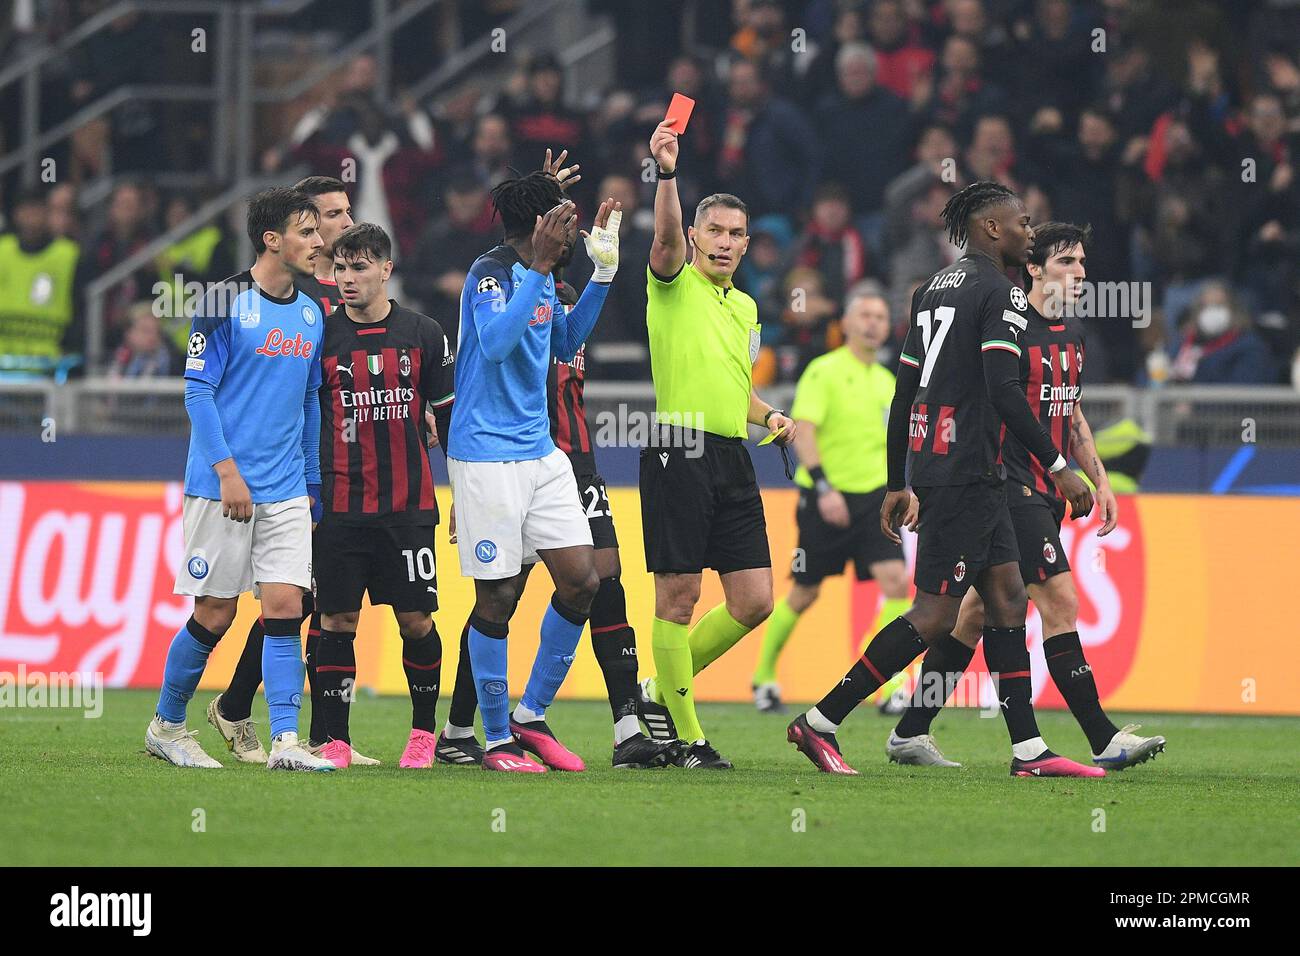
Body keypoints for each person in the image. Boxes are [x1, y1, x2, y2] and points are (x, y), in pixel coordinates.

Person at [786, 181, 1102, 779]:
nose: (1029, 234)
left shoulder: (931, 289)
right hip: (968, 472)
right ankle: (821, 721)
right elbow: (1005, 391)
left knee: (1007, 600)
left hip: (943, 467)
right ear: (991, 229)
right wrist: (1060, 468)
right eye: (1022, 224)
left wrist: (896, 481)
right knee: (933, 615)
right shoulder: (1001, 294)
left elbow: (906, 391)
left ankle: (1028, 751)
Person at [888, 221, 1166, 769]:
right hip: (1008, 484)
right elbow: (993, 401)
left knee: (969, 614)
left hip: (1046, 489)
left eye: (1083, 262)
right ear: (1034, 269)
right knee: (1060, 601)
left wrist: (1101, 479)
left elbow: (1072, 414)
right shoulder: (1011, 325)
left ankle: (910, 729)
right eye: (1065, 262)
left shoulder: (1072, 334)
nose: (1079, 272)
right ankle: (1102, 739)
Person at [439, 151, 675, 771]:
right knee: (497, 596)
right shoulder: (488, 274)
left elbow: (564, 341)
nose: (573, 232)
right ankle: (492, 740)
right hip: (486, 455)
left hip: (542, 452)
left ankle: (529, 715)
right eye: (562, 222)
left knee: (582, 579)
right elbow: (493, 345)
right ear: (536, 226)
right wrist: (541, 268)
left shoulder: (546, 277)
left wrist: (601, 276)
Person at [145, 187, 332, 771]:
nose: (319, 241)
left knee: (283, 606)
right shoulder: (224, 300)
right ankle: (167, 726)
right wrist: (228, 473)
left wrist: (311, 483)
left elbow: (309, 403)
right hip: (222, 486)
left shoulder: (312, 312)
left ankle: (285, 742)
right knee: (216, 613)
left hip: (284, 489)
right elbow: (197, 390)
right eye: (307, 231)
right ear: (272, 239)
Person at [205, 175, 383, 765]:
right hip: (302, 465)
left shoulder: (343, 292)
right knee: (303, 601)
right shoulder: (296, 298)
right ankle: (259, 716)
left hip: (342, 461)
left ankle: (311, 733)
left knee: (315, 600)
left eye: (344, 212)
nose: (342, 223)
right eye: (329, 215)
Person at [635, 120, 796, 769]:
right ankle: (686, 735)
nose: (725, 243)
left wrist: (768, 417)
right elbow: (664, 235)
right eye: (716, 232)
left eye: (736, 234)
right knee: (678, 599)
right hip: (677, 448)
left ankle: (655, 691)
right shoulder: (672, 283)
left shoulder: (746, 309)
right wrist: (668, 174)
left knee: (755, 601)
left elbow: (734, 390)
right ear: (695, 236)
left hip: (731, 455)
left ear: (747, 242)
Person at [305, 222, 457, 769]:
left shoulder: (425, 334)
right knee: (336, 622)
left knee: (415, 620)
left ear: (386, 270)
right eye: (340, 268)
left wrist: (464, 495)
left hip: (408, 507)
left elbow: (449, 421)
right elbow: (302, 418)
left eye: (360, 267)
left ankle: (422, 733)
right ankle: (337, 739)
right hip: (341, 509)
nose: (347, 278)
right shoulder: (320, 337)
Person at [751, 291, 911, 714]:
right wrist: (824, 489)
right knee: (804, 593)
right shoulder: (824, 371)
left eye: (881, 316)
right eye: (866, 315)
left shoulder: (888, 382)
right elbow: (805, 431)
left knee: (897, 584)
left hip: (874, 502)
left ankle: (885, 681)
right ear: (848, 322)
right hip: (825, 500)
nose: (875, 323)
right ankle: (764, 675)